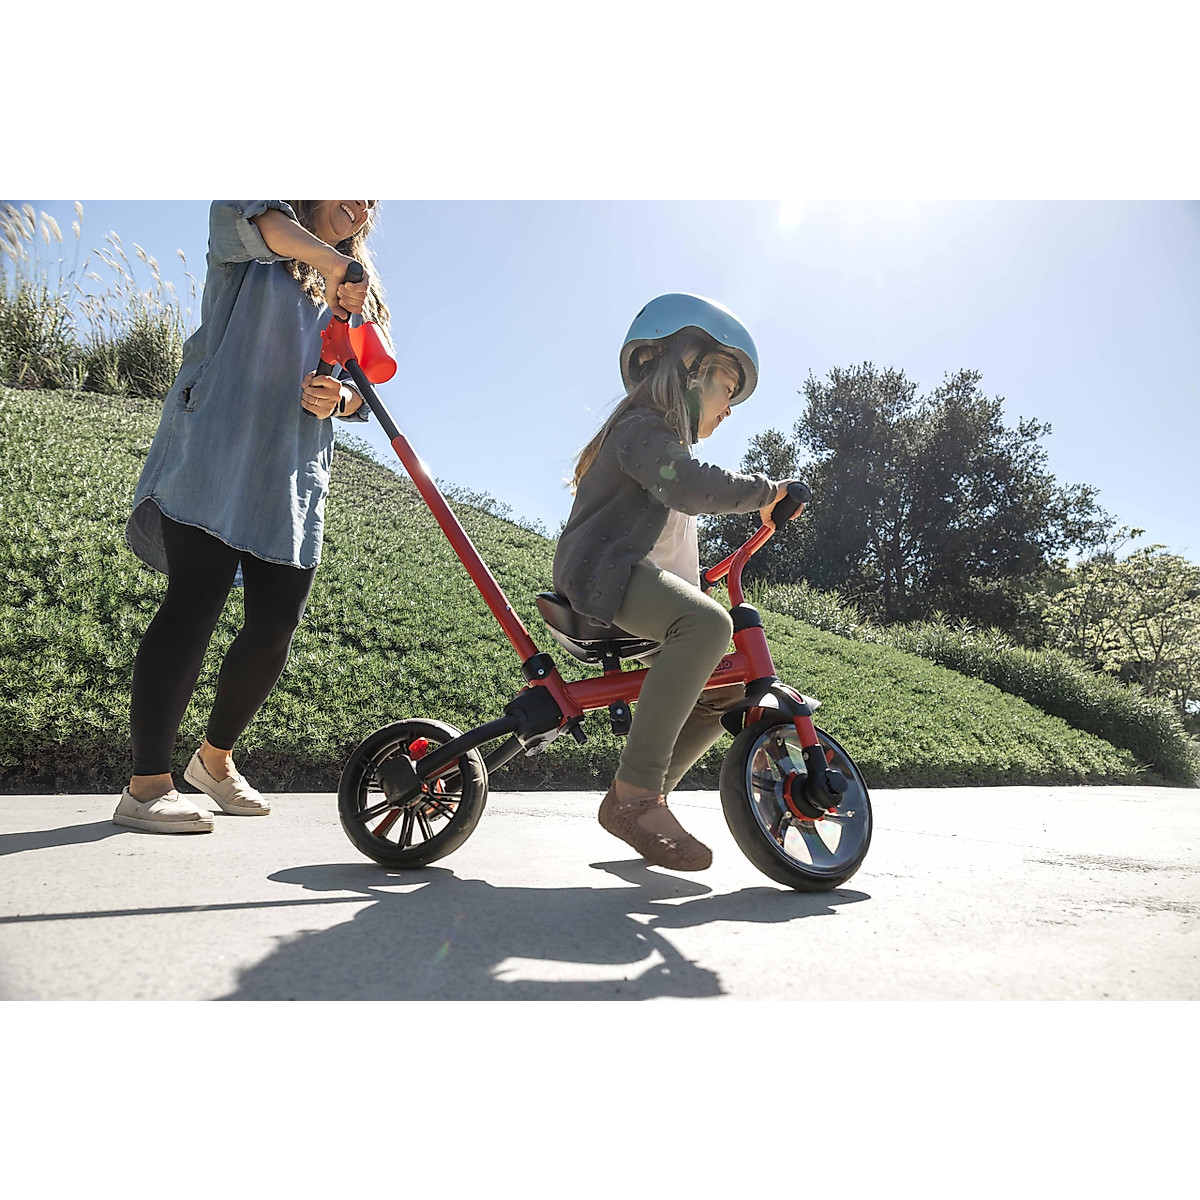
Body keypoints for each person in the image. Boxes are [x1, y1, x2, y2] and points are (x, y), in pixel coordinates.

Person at [114, 200, 390, 834]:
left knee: (274, 626)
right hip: (217, 440)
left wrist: (341, 400)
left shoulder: (359, 291)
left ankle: (213, 761)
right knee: (196, 599)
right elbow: (263, 223)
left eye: (372, 199)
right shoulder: (257, 231)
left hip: (291, 466)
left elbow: (366, 385)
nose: (360, 204)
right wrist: (334, 266)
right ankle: (146, 787)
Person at [553, 293, 798, 872]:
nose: (730, 408)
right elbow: (687, 485)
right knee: (708, 626)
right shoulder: (642, 429)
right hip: (601, 575)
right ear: (688, 368)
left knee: (723, 691)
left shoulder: (661, 446)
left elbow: (672, 553)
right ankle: (638, 795)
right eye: (727, 386)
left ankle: (639, 799)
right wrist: (766, 493)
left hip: (629, 580)